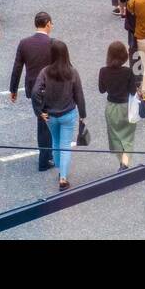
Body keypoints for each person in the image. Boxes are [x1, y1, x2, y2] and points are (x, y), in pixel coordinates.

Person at [31, 39, 86, 191]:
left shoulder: (45, 72)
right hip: (68, 114)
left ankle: (59, 167)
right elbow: (79, 94)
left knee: (55, 142)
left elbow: (35, 92)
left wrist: (39, 111)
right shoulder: (72, 71)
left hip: (50, 115)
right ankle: (63, 177)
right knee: (65, 145)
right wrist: (82, 114)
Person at [9, 11, 56, 171]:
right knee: (46, 123)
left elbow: (17, 68)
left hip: (32, 88)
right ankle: (45, 159)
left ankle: (47, 155)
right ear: (48, 23)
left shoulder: (24, 43)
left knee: (43, 121)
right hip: (49, 89)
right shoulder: (53, 43)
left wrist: (13, 89)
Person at [98, 40, 140, 169]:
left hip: (111, 107)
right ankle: (125, 163)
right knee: (128, 137)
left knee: (115, 137)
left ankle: (122, 162)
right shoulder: (127, 71)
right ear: (124, 56)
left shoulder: (103, 71)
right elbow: (133, 91)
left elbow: (102, 89)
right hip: (126, 108)